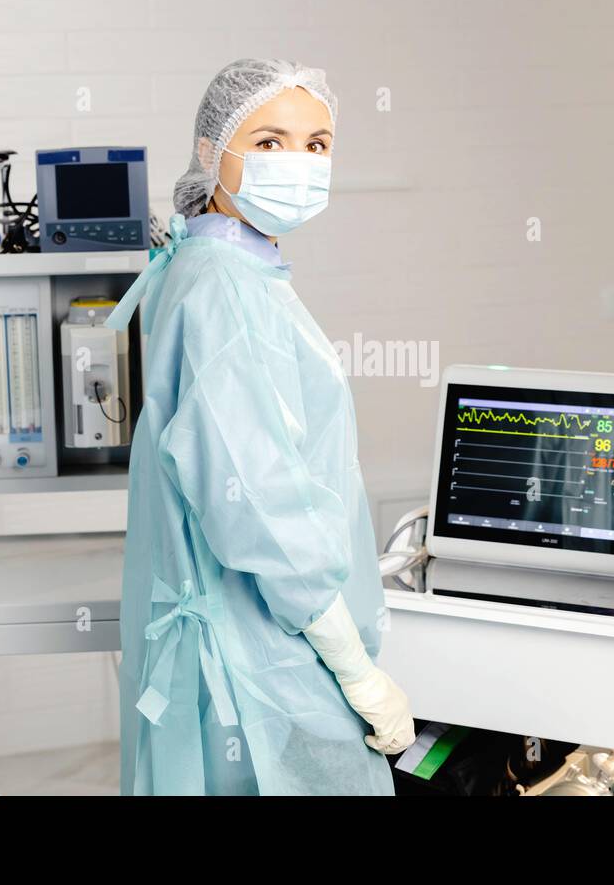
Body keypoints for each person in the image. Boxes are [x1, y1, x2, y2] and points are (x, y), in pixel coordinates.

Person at [105, 59, 414, 795]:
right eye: (271, 142)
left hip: (255, 642)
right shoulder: (223, 290)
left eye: (318, 144)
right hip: (254, 657)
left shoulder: (227, 270)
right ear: (212, 154)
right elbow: (261, 510)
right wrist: (356, 669)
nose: (301, 163)